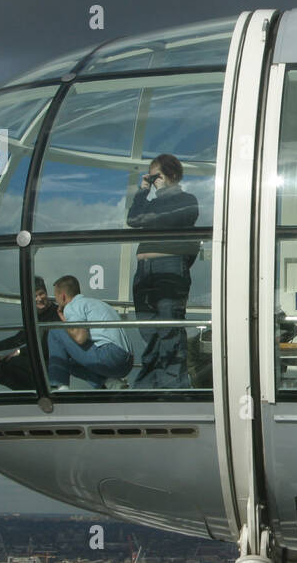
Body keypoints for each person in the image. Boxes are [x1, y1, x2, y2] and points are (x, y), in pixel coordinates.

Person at [126, 153, 200, 388]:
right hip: (144, 270)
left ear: (173, 175)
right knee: (149, 330)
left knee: (169, 327)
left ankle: (174, 387)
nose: (153, 180)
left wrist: (150, 211)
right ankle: (150, 385)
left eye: (156, 175)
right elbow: (133, 219)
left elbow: (172, 217)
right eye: (150, 176)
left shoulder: (187, 199)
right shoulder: (151, 202)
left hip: (168, 266)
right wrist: (143, 190)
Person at [0, 277, 63, 390]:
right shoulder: (34, 317)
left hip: (52, 361)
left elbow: (47, 345)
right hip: (39, 358)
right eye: (34, 296)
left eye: (41, 294)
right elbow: (19, 339)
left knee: (10, 364)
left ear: (46, 293)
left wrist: (19, 352)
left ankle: (38, 392)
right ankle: (32, 393)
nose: (39, 298)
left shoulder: (57, 313)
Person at [46, 275, 132, 390]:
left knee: (55, 331)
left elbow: (80, 338)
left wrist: (64, 323)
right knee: (70, 362)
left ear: (62, 297)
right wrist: (66, 321)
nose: (56, 301)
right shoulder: (97, 304)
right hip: (126, 362)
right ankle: (111, 382)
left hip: (110, 355)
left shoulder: (72, 306)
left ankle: (59, 386)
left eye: (56, 297)